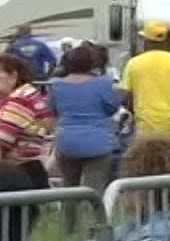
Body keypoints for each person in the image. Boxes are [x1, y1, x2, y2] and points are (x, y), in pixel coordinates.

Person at [47, 43, 123, 205]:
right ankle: (93, 226)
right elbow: (112, 107)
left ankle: (69, 226)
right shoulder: (103, 83)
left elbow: (53, 110)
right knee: (93, 189)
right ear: (91, 63)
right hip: (98, 142)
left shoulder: (56, 85)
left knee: (69, 187)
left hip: (67, 142)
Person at [0, 54, 54, 188]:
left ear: (13, 75)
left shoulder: (18, 102)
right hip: (32, 166)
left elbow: (2, 142)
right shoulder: (30, 95)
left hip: (17, 172)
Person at [119, 21, 170, 143]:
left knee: (147, 160)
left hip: (145, 125)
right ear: (165, 40)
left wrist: (131, 107)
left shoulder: (134, 63)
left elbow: (125, 95)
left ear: (146, 41)